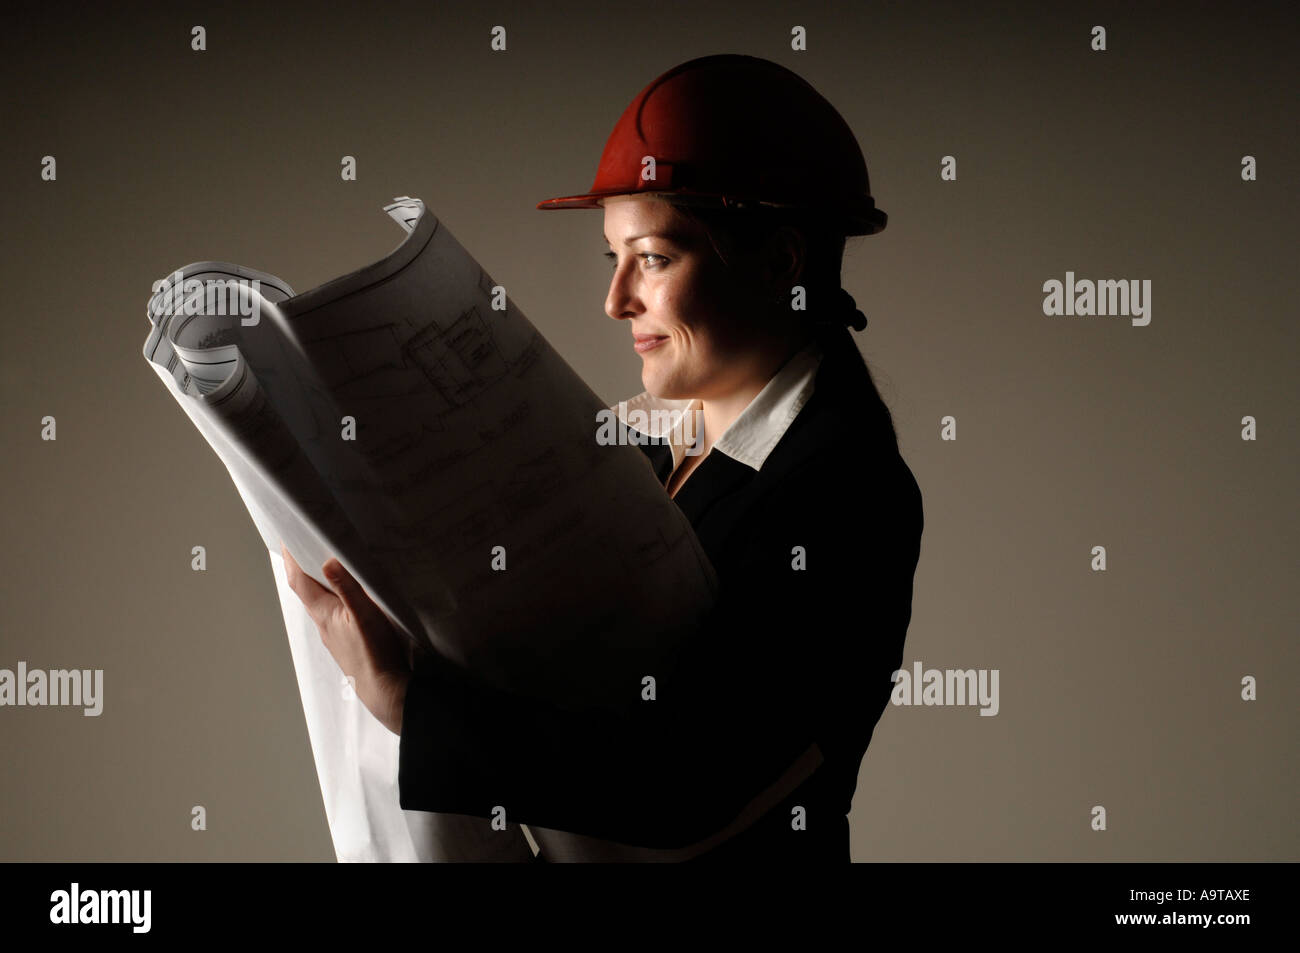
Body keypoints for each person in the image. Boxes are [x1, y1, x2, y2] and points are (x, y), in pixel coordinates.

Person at [284, 53, 923, 862]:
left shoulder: (846, 494)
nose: (617, 299)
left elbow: (690, 779)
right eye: (612, 258)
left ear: (780, 263)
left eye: (653, 258)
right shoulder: (630, 446)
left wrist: (413, 707)